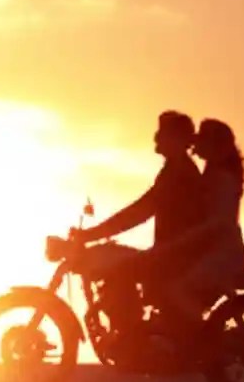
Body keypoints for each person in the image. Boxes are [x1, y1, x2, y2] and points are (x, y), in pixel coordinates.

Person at [69, 110, 205, 294]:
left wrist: (91, 234)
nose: (157, 137)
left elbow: (140, 212)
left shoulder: (178, 173)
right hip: (173, 253)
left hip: (176, 257)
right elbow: (142, 209)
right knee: (115, 263)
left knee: (119, 268)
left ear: (176, 139)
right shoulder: (175, 169)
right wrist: (94, 234)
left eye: (163, 133)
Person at [148, 118, 244, 337]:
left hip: (222, 255)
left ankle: (201, 340)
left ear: (215, 145)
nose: (195, 145)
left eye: (202, 139)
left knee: (176, 291)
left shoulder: (221, 179)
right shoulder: (213, 174)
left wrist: (180, 242)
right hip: (215, 252)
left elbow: (217, 222)